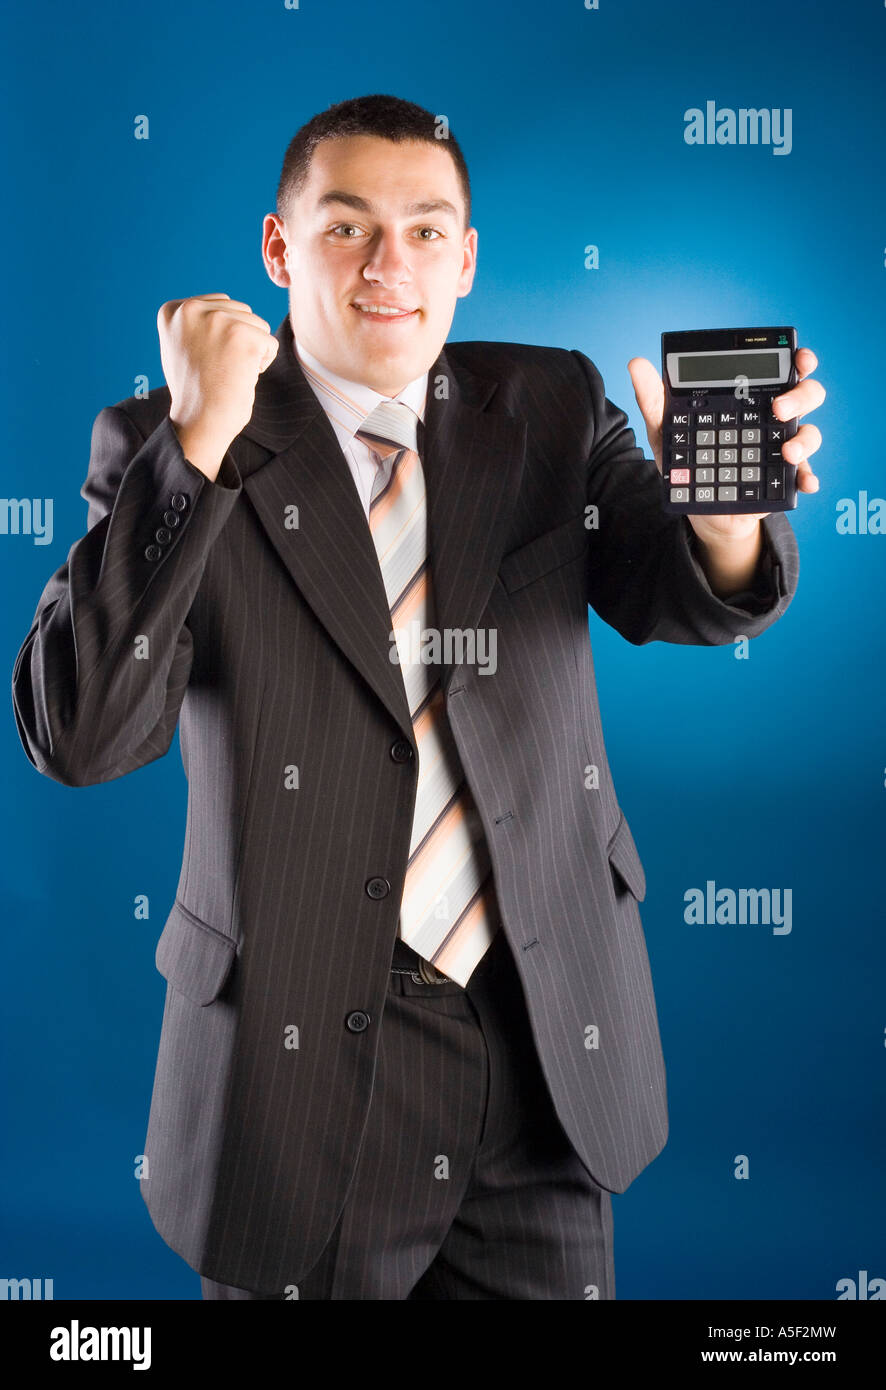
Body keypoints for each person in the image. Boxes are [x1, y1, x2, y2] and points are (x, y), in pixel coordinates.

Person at [11, 93, 824, 1300]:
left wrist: (726, 524)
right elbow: (78, 734)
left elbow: (685, 596)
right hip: (296, 1069)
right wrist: (194, 444)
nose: (391, 266)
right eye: (348, 229)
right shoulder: (164, 440)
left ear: (467, 258)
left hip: (542, 1040)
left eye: (428, 231)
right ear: (280, 250)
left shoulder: (549, 407)